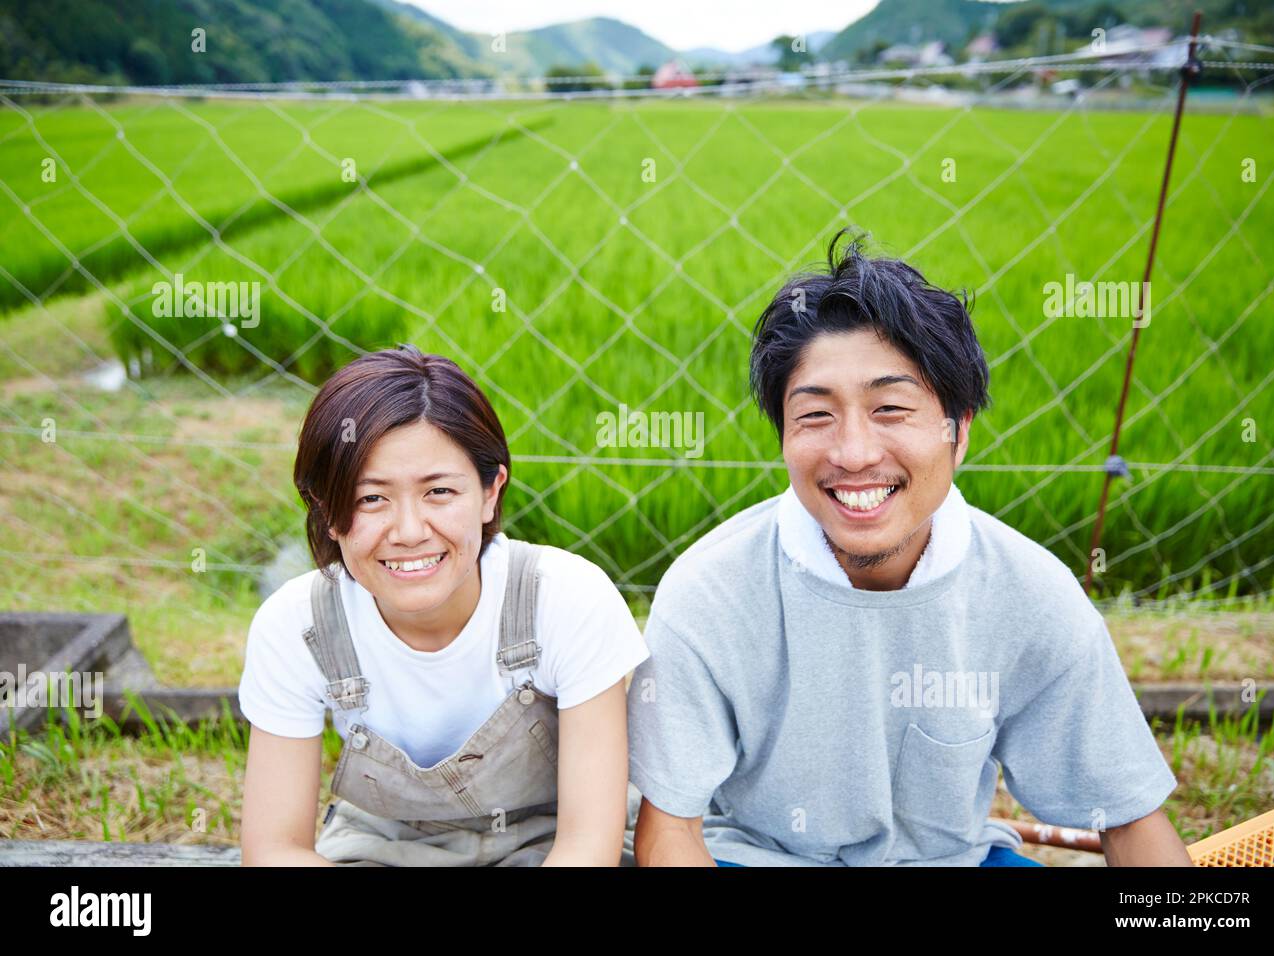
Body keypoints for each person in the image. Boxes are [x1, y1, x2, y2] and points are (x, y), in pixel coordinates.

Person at [627, 230, 1192, 867]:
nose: (855, 454)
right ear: (783, 435)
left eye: (891, 408)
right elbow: (670, 830)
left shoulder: (1028, 591)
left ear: (959, 431)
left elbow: (1127, 818)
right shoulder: (709, 591)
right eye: (816, 415)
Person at [239, 345, 649, 866]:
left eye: (438, 491)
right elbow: (275, 850)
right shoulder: (298, 626)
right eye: (371, 499)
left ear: (489, 493)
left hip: (548, 841)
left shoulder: (566, 598)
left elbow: (586, 847)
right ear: (326, 511)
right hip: (385, 846)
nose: (409, 532)